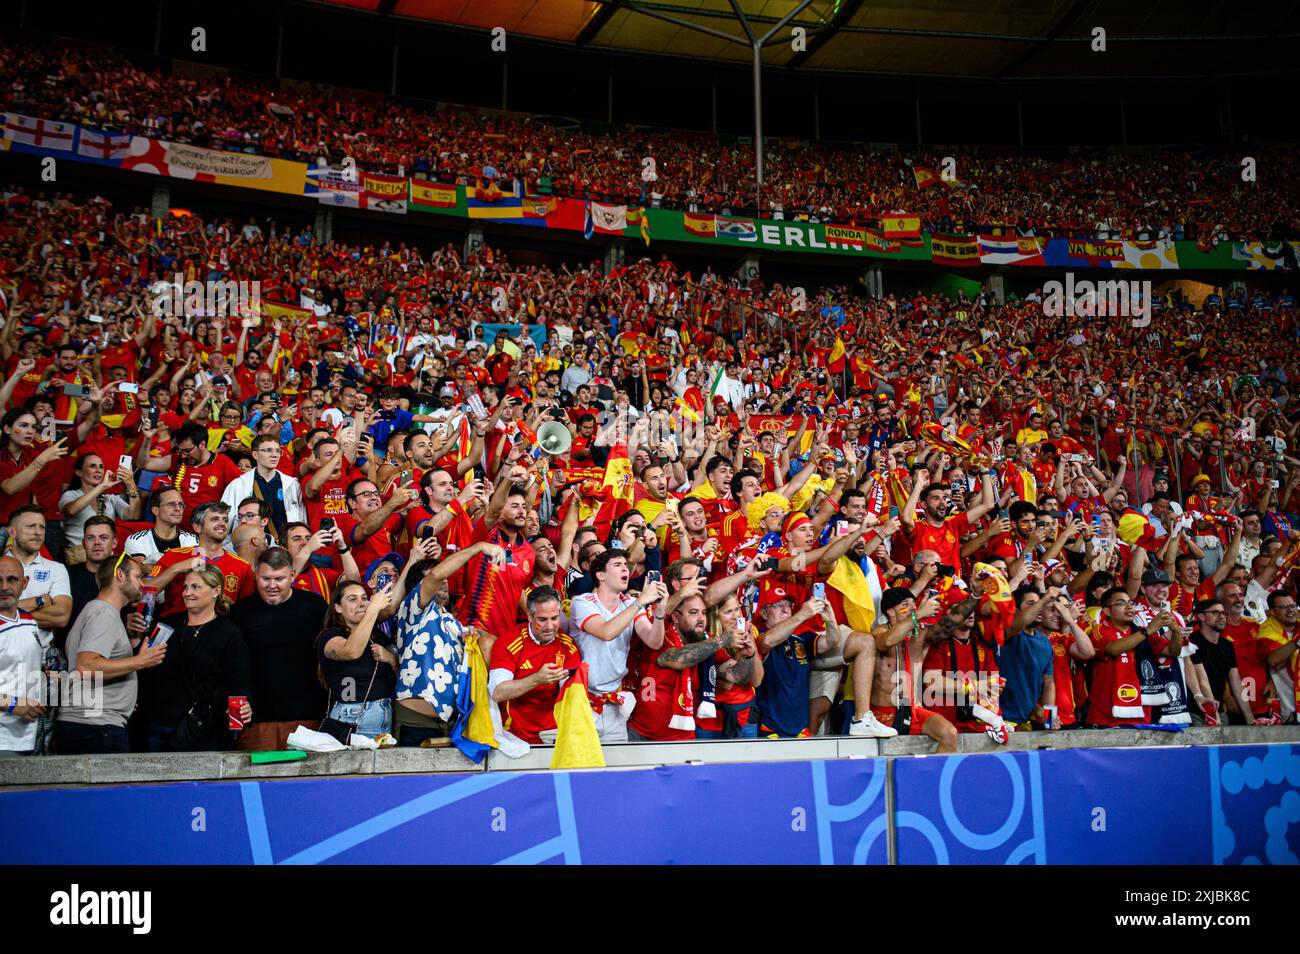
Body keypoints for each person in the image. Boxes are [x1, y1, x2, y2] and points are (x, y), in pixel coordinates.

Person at [391, 539, 504, 745]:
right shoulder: (413, 609)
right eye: (436, 577)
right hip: (415, 722)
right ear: (418, 586)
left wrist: (472, 639)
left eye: (446, 577)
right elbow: (437, 574)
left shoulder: (453, 622)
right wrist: (479, 547)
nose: (444, 580)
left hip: (451, 725)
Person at [55, 553, 164, 753]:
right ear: (120, 575)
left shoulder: (103, 612)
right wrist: (140, 661)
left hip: (93, 725)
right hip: (94, 728)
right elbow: (86, 666)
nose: (142, 583)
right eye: (138, 576)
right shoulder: (102, 613)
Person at [137, 564, 252, 751]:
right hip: (160, 724)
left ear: (216, 591)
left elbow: (239, 684)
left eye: (195, 587)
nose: (187, 593)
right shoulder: (167, 625)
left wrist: (245, 706)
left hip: (204, 730)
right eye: (185, 586)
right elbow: (145, 669)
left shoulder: (229, 634)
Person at [230, 547, 330, 751]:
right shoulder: (240, 612)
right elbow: (232, 666)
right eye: (265, 578)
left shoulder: (315, 606)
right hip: (257, 721)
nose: (272, 586)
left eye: (279, 579)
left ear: (292, 575)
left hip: (308, 717)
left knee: (306, 781)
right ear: (256, 575)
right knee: (258, 781)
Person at [568, 550, 668, 742]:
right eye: (617, 565)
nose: (625, 568)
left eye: (626, 565)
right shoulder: (582, 602)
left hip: (615, 703)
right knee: (582, 766)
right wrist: (640, 602)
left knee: (614, 768)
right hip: (582, 701)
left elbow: (654, 641)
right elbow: (606, 632)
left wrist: (660, 612)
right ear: (600, 575)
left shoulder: (629, 603)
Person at [489, 586, 581, 745]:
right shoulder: (509, 642)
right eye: (542, 619)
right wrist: (537, 679)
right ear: (530, 616)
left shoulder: (568, 646)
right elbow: (497, 693)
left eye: (554, 618)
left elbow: (571, 697)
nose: (550, 626)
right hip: (515, 738)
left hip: (554, 736)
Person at [317, 580, 399, 740]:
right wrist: (373, 610)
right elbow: (351, 651)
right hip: (350, 716)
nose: (361, 604)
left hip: (385, 714)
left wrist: (392, 659)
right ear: (338, 607)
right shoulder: (329, 635)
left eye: (364, 598)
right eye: (353, 599)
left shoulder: (378, 636)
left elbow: (401, 679)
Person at [147, 502, 254, 617]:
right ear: (197, 527)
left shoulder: (242, 566)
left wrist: (224, 602)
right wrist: (176, 569)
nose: (222, 524)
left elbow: (248, 611)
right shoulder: (173, 556)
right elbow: (142, 592)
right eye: (215, 519)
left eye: (225, 520)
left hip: (219, 630)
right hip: (174, 628)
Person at [220, 434, 306, 544]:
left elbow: (301, 521)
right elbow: (225, 522)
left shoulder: (292, 484)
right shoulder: (238, 485)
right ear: (255, 454)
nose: (274, 455)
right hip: (248, 548)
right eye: (268, 450)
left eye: (277, 451)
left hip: (283, 550)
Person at [0, 554, 44, 755]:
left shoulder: (29, 620)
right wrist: (14, 705)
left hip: (28, 735)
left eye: (12, 579)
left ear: (24, 583)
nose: (4, 587)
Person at [1189, 598, 1256, 726]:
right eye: (1215, 613)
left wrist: (1250, 719)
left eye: (1223, 613)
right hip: (1196, 712)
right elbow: (1202, 681)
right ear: (1201, 616)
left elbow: (1236, 683)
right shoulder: (1193, 641)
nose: (1221, 617)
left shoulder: (1227, 645)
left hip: (1219, 712)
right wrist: (1215, 719)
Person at [58, 453, 142, 553]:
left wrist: (131, 484)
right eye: (92, 466)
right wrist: (102, 486)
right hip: (80, 559)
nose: (98, 470)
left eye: (101, 467)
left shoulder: (110, 498)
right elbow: (70, 510)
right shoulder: (71, 495)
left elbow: (133, 516)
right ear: (79, 472)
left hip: (106, 560)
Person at [124, 486, 199, 566]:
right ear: (156, 511)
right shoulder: (136, 540)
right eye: (171, 504)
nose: (178, 508)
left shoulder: (193, 540)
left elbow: (198, 570)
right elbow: (141, 573)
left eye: (180, 504)